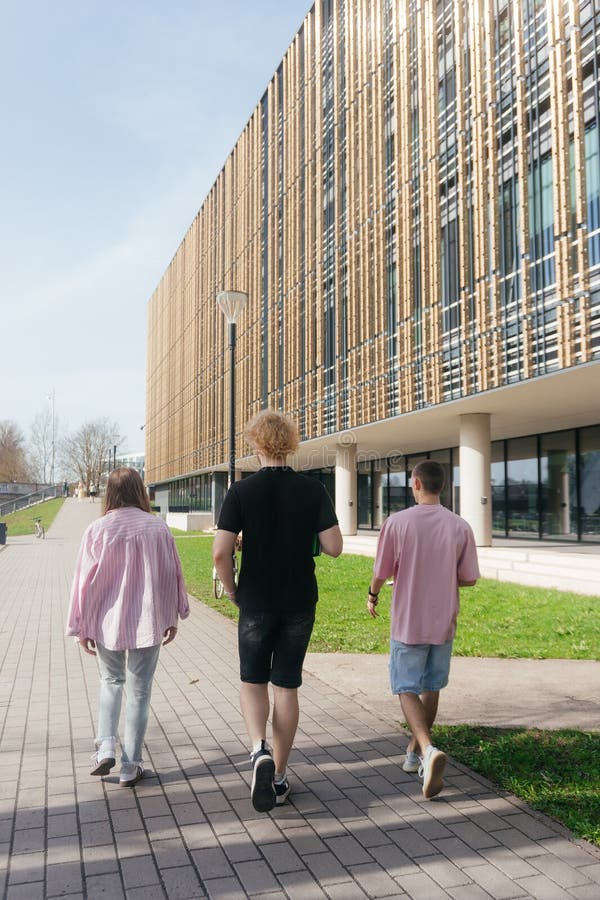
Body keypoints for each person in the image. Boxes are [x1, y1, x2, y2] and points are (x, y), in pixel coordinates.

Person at [213, 409, 343, 812]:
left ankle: (258, 752)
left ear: (255, 444)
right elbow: (335, 546)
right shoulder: (313, 490)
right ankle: (281, 775)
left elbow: (220, 551)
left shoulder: (240, 492)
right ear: (291, 443)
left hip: (255, 600)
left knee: (253, 681)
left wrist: (232, 588)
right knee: (286, 685)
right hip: (300, 599)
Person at [66, 467, 189, 787]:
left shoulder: (97, 530)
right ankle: (131, 765)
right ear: (140, 491)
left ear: (109, 493)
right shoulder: (158, 528)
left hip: (108, 622)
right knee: (140, 691)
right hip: (147, 620)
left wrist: (80, 624)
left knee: (111, 680)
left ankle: (106, 744)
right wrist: (174, 614)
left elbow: (82, 580)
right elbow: (170, 573)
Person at [367, 459, 479, 799]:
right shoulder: (460, 526)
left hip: (408, 620)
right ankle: (414, 755)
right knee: (431, 685)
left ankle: (428, 750)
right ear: (441, 486)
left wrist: (373, 595)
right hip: (443, 620)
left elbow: (382, 570)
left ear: (416, 484)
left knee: (404, 686)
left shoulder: (397, 523)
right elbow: (469, 578)